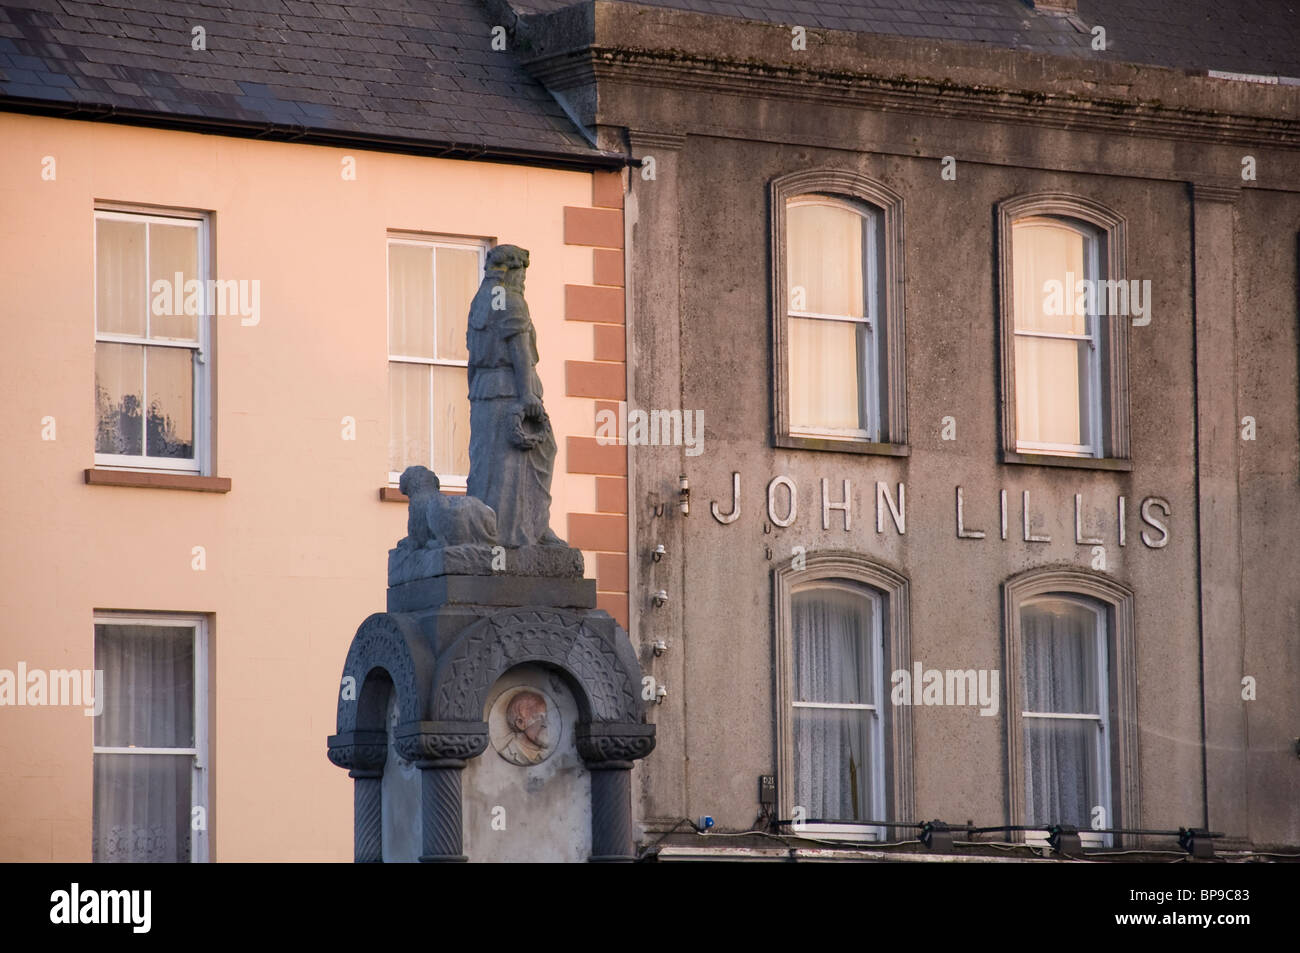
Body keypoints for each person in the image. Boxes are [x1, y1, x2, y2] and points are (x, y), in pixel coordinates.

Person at [465, 245, 566, 548]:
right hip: (512, 392)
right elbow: (520, 353)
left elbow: (471, 362)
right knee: (535, 455)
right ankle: (528, 531)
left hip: (484, 394)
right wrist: (527, 397)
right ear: (512, 271)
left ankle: (500, 531)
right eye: (522, 273)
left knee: (489, 467)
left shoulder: (479, 304)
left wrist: (474, 395)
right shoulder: (512, 302)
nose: (523, 281)